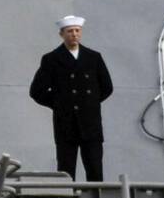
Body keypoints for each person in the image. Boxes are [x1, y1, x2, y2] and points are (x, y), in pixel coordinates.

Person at [30, 15, 113, 183]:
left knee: (95, 166)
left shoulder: (93, 57)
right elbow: (36, 91)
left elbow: (107, 87)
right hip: (66, 123)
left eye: (77, 31)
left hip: (91, 122)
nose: (74, 34)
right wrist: (60, 104)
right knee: (66, 169)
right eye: (70, 31)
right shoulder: (51, 59)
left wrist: (89, 103)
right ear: (62, 34)